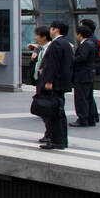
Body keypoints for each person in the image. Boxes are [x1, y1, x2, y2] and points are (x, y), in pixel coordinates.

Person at [36, 21, 74, 150]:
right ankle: (61, 140)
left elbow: (53, 65)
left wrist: (49, 81)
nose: (50, 31)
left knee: (55, 113)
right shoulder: (66, 44)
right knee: (59, 112)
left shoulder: (56, 44)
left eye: (51, 29)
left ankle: (56, 141)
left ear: (56, 30)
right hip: (62, 83)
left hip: (55, 84)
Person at [70, 21, 100, 128]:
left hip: (82, 75)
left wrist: (71, 58)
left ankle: (82, 118)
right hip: (89, 74)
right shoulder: (92, 43)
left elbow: (81, 58)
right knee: (88, 97)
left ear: (80, 34)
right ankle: (90, 118)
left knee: (81, 98)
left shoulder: (85, 45)